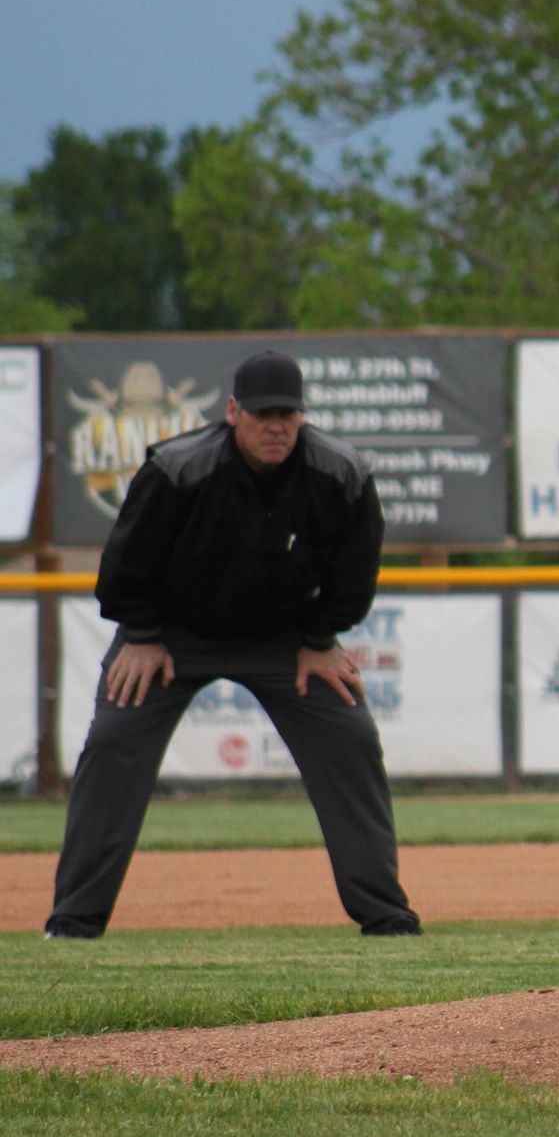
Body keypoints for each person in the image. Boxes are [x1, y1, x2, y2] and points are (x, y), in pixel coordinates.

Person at [45, 351, 420, 939]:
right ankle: (72, 922)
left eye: (288, 415)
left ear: (303, 417)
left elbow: (355, 575)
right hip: (169, 636)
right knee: (115, 739)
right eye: (263, 413)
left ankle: (388, 917)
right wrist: (140, 634)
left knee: (349, 734)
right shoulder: (178, 468)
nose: (276, 426)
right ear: (232, 412)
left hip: (285, 640)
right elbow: (124, 564)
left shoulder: (341, 472)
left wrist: (321, 639)